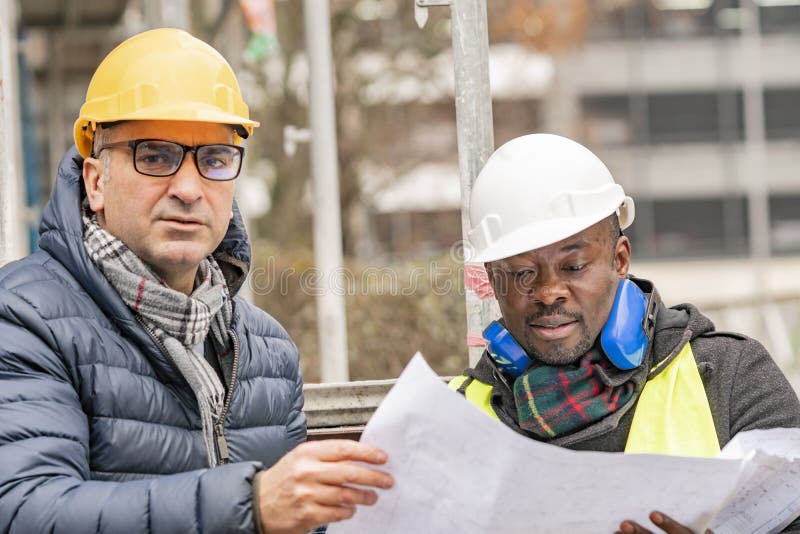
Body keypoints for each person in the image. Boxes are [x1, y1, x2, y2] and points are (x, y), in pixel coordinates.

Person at [0, 28, 392, 534]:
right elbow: (25, 510)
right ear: (97, 182)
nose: (188, 188)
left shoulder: (267, 350)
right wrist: (247, 506)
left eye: (214, 160)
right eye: (155, 156)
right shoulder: (23, 318)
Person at [451, 133, 800, 533]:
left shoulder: (730, 378)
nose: (548, 293)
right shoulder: (454, 419)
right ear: (494, 282)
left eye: (574, 266)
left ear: (619, 260)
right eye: (521, 273)